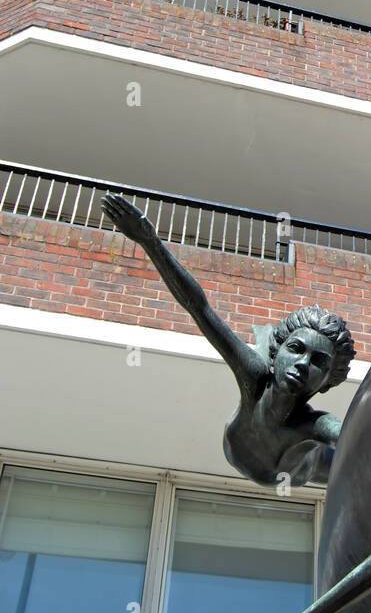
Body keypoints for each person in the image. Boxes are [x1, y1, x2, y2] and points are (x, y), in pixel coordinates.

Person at [101, 194, 355, 487]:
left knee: (358, 471)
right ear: (276, 352)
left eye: (318, 362)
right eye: (296, 349)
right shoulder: (255, 379)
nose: (302, 364)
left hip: (303, 470)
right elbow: (200, 308)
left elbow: (355, 437)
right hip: (241, 450)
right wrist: (150, 242)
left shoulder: (316, 425)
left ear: (328, 382)